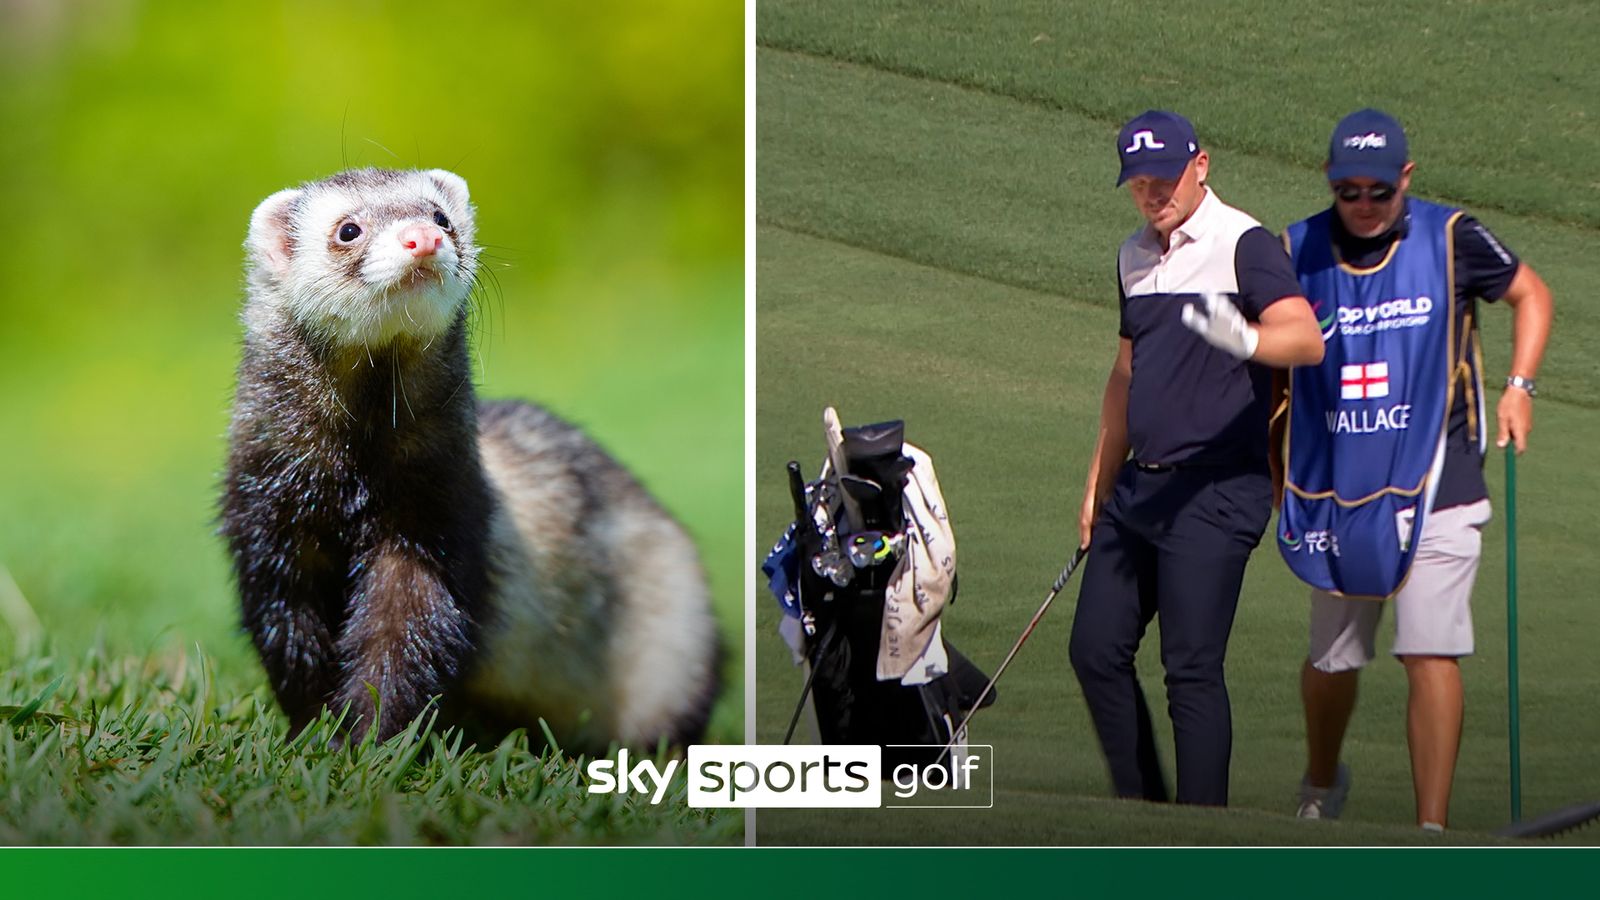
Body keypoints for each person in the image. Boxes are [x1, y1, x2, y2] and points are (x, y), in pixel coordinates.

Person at [1279, 109, 1554, 831]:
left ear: (1406, 177)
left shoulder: (1452, 235)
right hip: (1342, 491)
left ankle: (1429, 830)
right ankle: (1320, 782)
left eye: (1379, 190)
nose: (1364, 206)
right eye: (1349, 192)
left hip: (1442, 481)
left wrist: (1519, 389)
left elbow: (1532, 293)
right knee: (1333, 661)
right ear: (1330, 184)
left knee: (1429, 649)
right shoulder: (1297, 248)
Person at [1069, 110, 1324, 806]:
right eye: (1139, 183)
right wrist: (1098, 479)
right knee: (1094, 650)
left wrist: (1245, 339)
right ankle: (1145, 810)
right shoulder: (1133, 256)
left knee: (1190, 668)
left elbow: (1304, 339)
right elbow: (1126, 374)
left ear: (1201, 166)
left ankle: (1201, 827)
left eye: (1165, 178)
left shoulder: (1241, 242)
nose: (1153, 194)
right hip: (1138, 491)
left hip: (1217, 492)